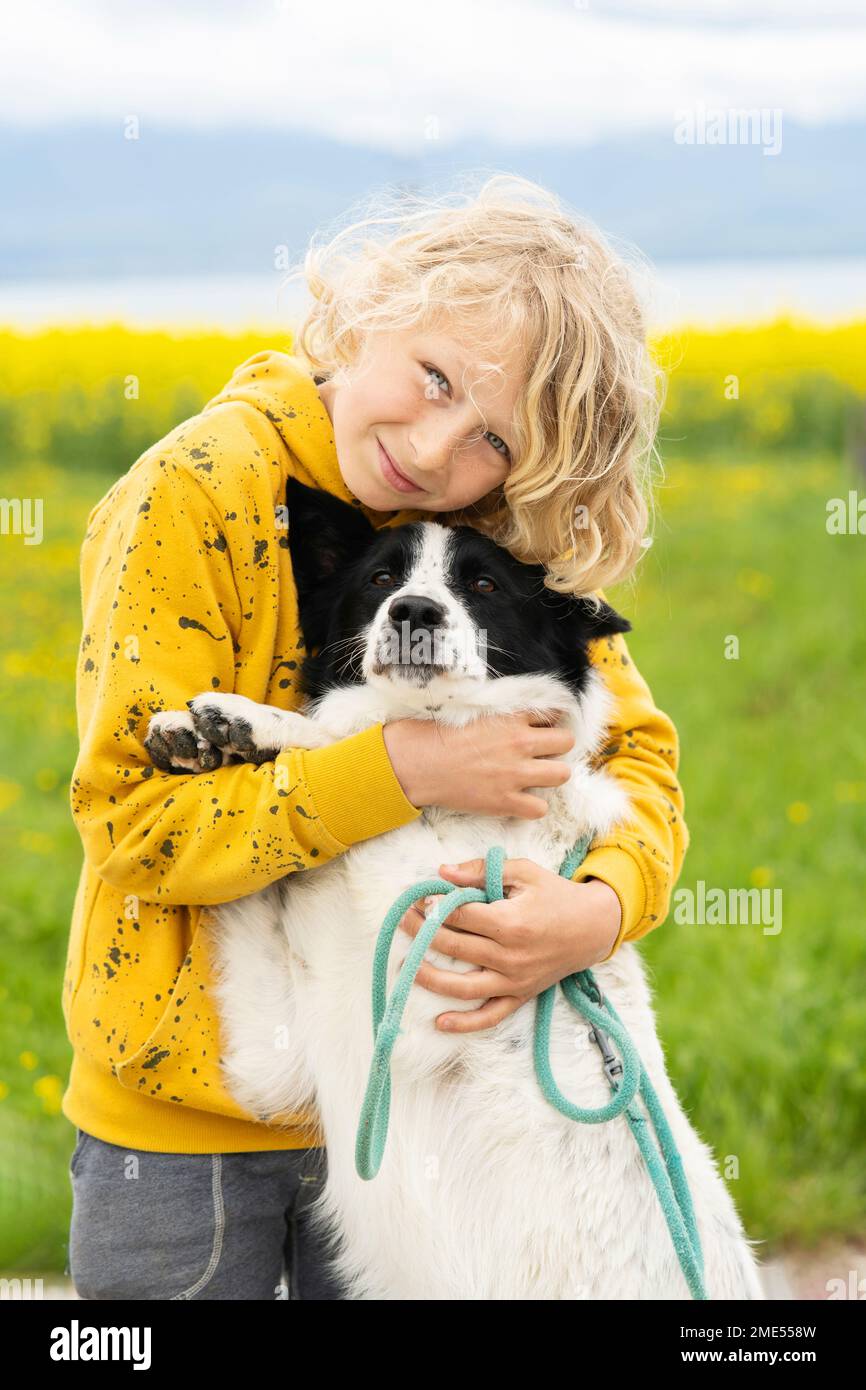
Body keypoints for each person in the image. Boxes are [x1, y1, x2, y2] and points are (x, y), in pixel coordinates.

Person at [63, 173, 688, 1300]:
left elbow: (636, 757)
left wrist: (597, 910)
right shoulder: (190, 497)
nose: (436, 444)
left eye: (491, 437)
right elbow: (133, 821)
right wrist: (399, 770)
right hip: (191, 1125)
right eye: (434, 377)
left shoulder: (494, 527)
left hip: (435, 1122)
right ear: (363, 313)